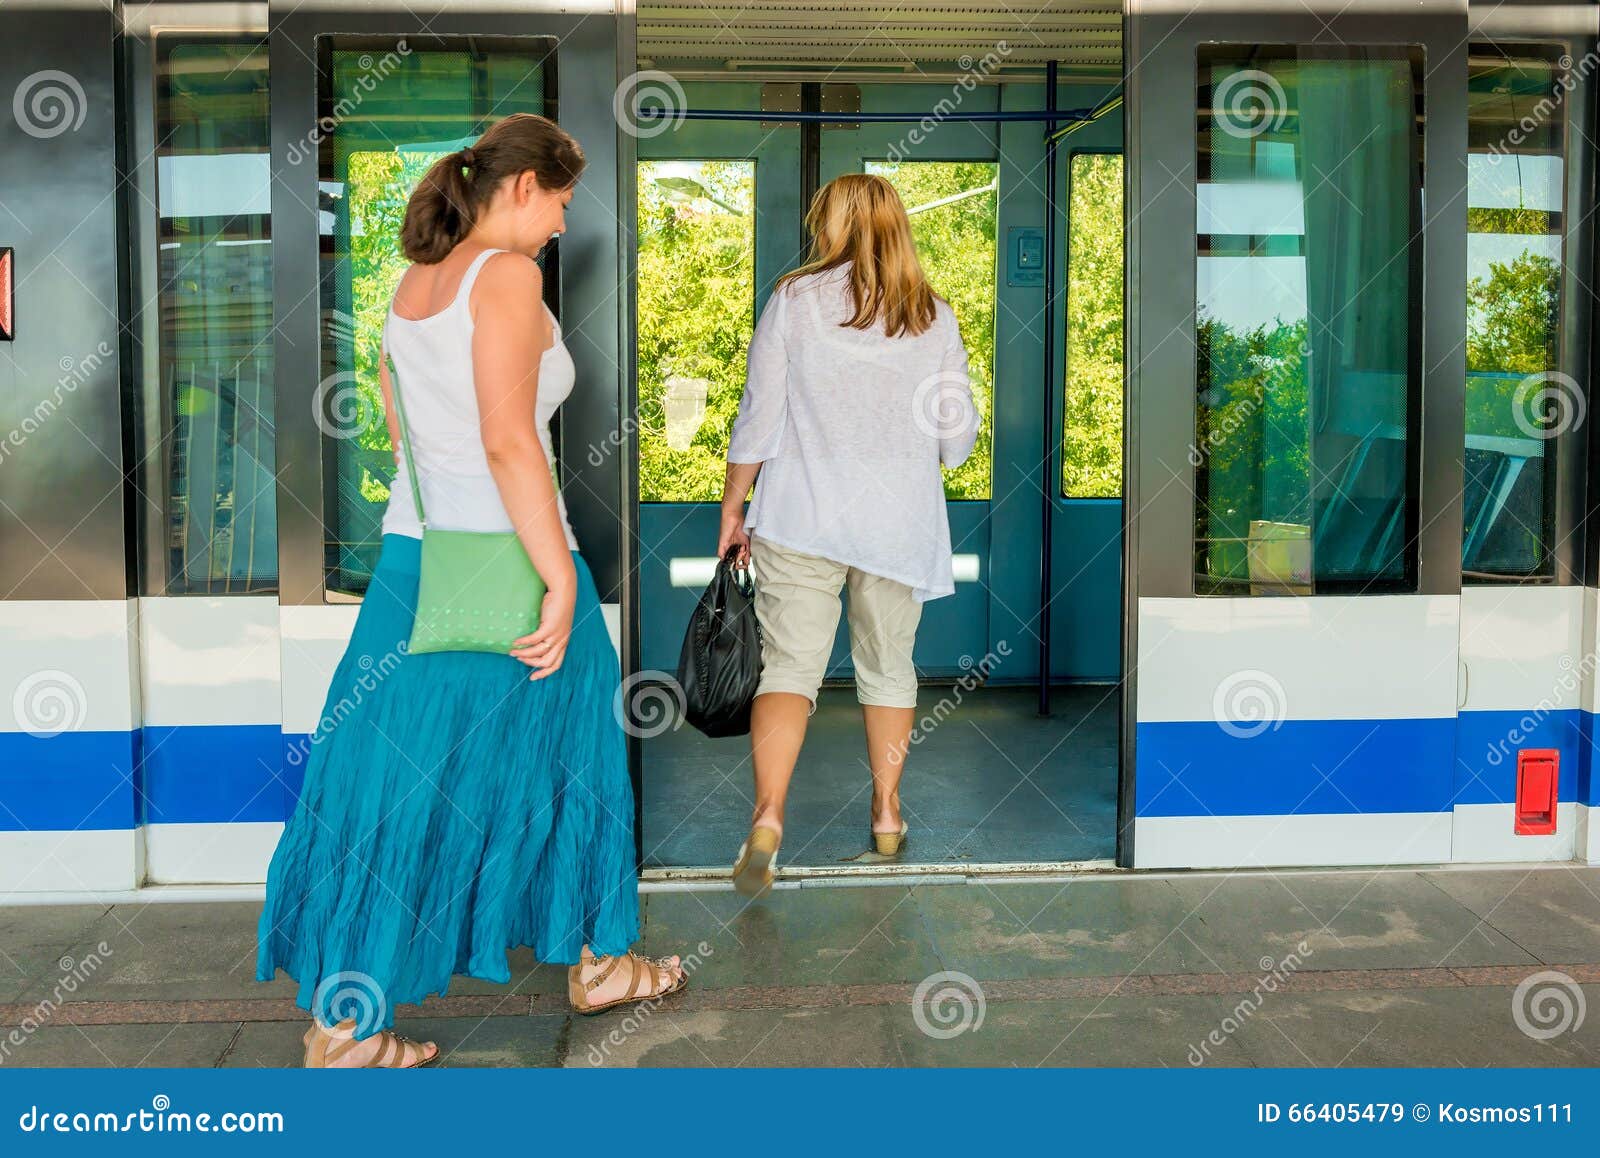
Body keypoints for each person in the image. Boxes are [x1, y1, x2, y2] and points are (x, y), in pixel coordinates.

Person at [258, 114, 686, 1068]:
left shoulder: (418, 281)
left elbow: (405, 427)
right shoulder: (506, 275)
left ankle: (345, 1021)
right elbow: (507, 441)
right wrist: (557, 583)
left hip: (418, 563)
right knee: (573, 756)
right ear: (526, 184)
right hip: (508, 562)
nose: (564, 225)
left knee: (386, 779)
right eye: (564, 202)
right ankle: (598, 961)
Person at [717, 173, 978, 897]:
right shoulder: (934, 316)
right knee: (888, 668)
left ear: (829, 225)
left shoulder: (794, 302)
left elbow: (759, 416)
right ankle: (888, 814)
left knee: (790, 671)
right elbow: (957, 440)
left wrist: (733, 506)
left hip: (802, 514)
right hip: (897, 525)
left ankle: (768, 818)